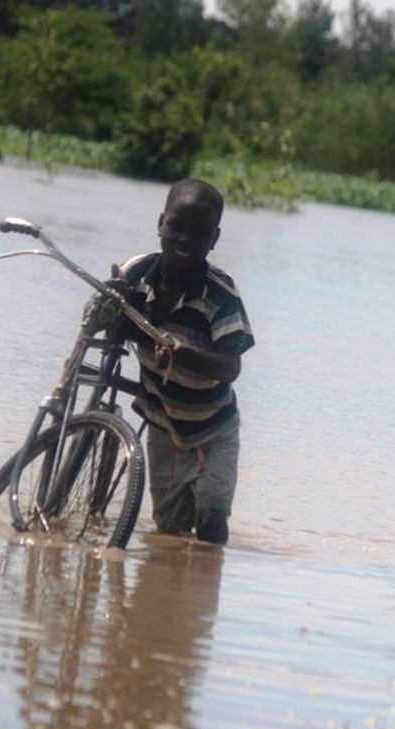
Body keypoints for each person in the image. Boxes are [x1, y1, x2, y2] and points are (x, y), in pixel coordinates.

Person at [109, 179, 254, 545]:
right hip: (163, 426)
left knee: (211, 520)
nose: (185, 240)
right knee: (169, 530)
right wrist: (111, 309)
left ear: (214, 239)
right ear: (161, 223)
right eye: (176, 227)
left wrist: (188, 354)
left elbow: (231, 367)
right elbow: (113, 323)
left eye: (199, 233)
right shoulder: (137, 273)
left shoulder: (220, 295)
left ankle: (204, 589)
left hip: (212, 428)